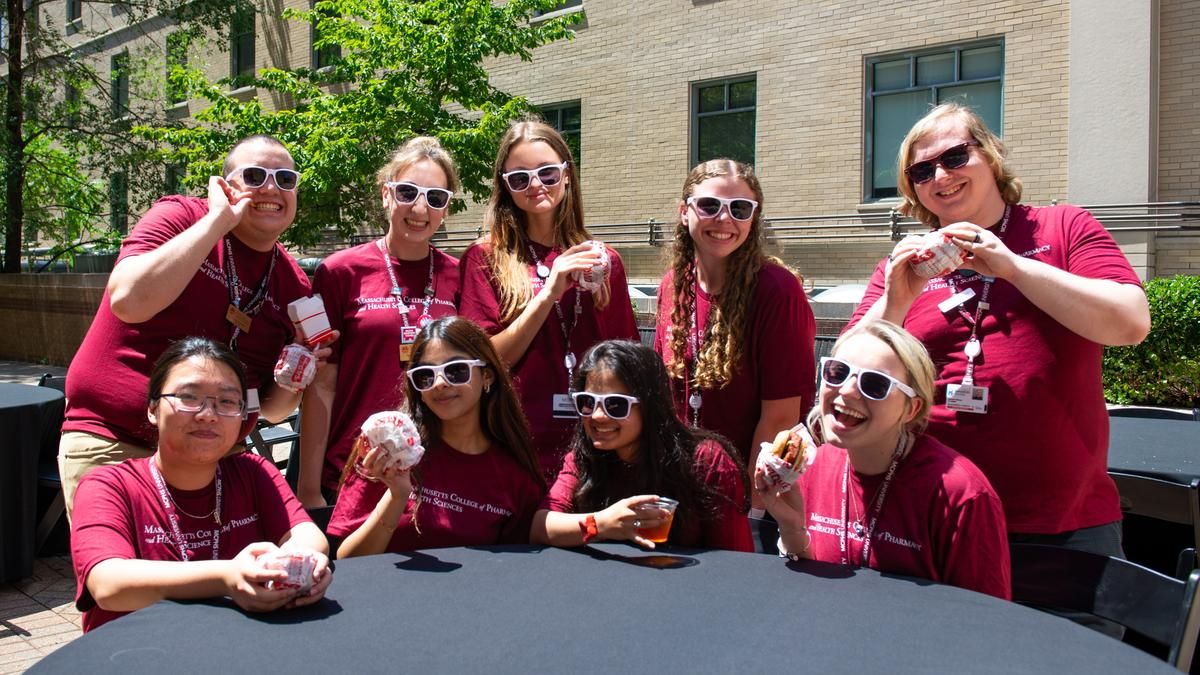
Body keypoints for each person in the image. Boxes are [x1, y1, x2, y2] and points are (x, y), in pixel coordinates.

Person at [849, 103, 1150, 561]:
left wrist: (1015, 268)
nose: (941, 176)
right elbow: (845, 375)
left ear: (990, 155)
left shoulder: (1063, 226)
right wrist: (898, 300)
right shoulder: (903, 267)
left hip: (1059, 523)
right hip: (932, 508)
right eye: (922, 170)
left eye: (954, 157)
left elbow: (1130, 323)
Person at [59, 135, 327, 518]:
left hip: (216, 454)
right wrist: (217, 223)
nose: (272, 188)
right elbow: (128, 301)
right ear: (224, 186)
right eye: (255, 175)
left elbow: (270, 409)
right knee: (130, 574)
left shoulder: (294, 286)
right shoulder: (181, 217)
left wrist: (297, 370)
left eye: (285, 179)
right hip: (117, 442)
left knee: (218, 575)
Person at [70, 337, 332, 633]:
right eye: (190, 397)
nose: (208, 414)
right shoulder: (108, 486)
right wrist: (226, 578)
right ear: (153, 409)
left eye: (227, 401)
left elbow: (306, 534)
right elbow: (108, 584)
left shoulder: (252, 471)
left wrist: (303, 563)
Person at [756, 320, 1010, 599]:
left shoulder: (962, 495)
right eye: (837, 372)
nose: (847, 391)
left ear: (911, 408)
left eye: (875, 384)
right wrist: (792, 528)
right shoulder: (814, 466)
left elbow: (984, 619)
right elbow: (813, 588)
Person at [459, 118, 639, 482]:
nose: (536, 184)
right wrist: (549, 291)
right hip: (513, 442)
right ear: (506, 187)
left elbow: (629, 365)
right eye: (520, 178)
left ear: (567, 174)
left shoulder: (603, 261)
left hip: (594, 443)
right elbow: (485, 362)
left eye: (547, 172)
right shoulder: (485, 258)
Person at [298, 137, 462, 507]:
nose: (420, 207)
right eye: (407, 192)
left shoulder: (461, 276)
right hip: (354, 468)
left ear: (446, 209)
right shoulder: (340, 272)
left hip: (437, 471)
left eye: (435, 198)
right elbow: (322, 381)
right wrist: (308, 487)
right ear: (386, 195)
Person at [653, 159, 816, 506]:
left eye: (740, 208)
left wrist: (750, 509)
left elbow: (780, 419)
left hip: (747, 496)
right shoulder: (672, 286)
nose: (725, 219)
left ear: (753, 218)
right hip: (682, 486)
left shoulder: (777, 291)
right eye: (710, 205)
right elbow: (664, 398)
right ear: (685, 212)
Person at [330, 317, 546, 556]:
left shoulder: (517, 476)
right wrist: (396, 496)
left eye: (456, 371)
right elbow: (347, 560)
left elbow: (518, 571)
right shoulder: (385, 449)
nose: (440, 383)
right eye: (425, 375)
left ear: (487, 376)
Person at [531, 340, 752, 551]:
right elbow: (540, 526)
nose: (597, 416)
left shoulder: (706, 461)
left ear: (649, 407)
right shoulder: (585, 457)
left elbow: (737, 561)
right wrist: (599, 525)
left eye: (615, 405)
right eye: (587, 402)